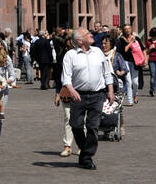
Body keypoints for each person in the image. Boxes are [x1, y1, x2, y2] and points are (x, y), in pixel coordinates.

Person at [60, 28, 113, 170]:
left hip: (97, 94)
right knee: (75, 125)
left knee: (93, 126)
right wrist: (71, 90)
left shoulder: (97, 52)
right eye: (87, 34)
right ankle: (85, 151)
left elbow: (107, 72)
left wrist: (110, 90)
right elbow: (66, 77)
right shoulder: (70, 55)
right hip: (78, 95)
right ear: (79, 40)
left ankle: (87, 157)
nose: (91, 35)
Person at [115, 24, 138, 105]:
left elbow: (142, 49)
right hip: (125, 62)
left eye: (129, 28)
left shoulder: (136, 38)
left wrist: (144, 59)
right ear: (123, 30)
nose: (128, 30)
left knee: (135, 82)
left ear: (131, 29)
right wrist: (131, 42)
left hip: (135, 62)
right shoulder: (121, 40)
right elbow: (124, 50)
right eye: (126, 29)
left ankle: (135, 94)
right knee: (128, 81)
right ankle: (130, 100)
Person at [54, 85, 75, 156]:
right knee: (68, 119)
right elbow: (58, 78)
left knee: (82, 120)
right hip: (67, 93)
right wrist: (57, 94)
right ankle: (67, 146)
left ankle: (81, 147)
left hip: (83, 93)